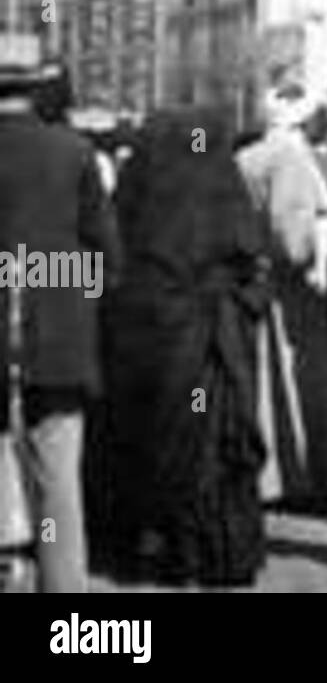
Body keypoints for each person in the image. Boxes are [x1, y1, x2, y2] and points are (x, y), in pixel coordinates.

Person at [110, 109, 270, 586]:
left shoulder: (140, 187)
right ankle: (214, 551)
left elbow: (113, 253)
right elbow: (248, 253)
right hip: (214, 343)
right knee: (214, 444)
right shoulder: (222, 184)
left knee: (156, 439)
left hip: (154, 336)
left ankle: (158, 546)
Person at [0, 35, 120, 592]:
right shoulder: (73, 152)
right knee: (58, 485)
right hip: (57, 339)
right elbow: (106, 255)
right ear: (34, 88)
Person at [236, 80, 327, 506]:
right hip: (291, 288)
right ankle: (299, 473)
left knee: (262, 381)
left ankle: (267, 472)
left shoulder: (246, 157)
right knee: (297, 379)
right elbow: (291, 234)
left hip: (254, 278)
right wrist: (315, 252)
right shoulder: (291, 159)